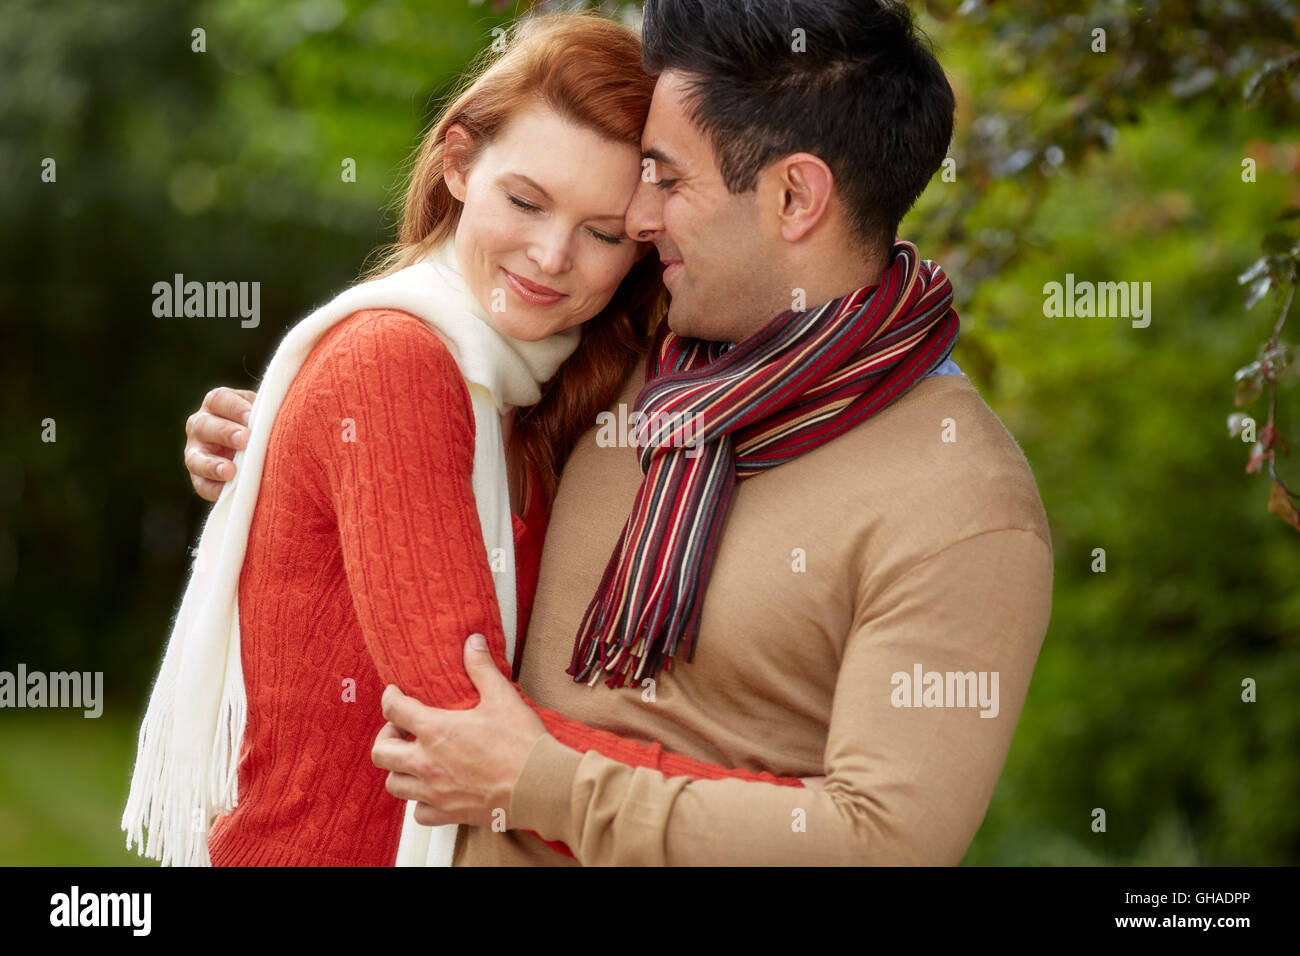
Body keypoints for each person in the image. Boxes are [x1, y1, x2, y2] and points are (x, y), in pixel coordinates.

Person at [187, 0, 1053, 866]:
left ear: (795, 196)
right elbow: (428, 411)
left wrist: (542, 778)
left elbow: (884, 848)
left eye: (667, 179)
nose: (637, 217)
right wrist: (280, 439)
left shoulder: (961, 504)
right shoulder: (626, 355)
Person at [127, 11, 812, 869]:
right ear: (458, 164)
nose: (552, 256)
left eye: (603, 232)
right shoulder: (395, 360)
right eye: (525, 200)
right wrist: (787, 821)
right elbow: (466, 724)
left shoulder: (538, 394)